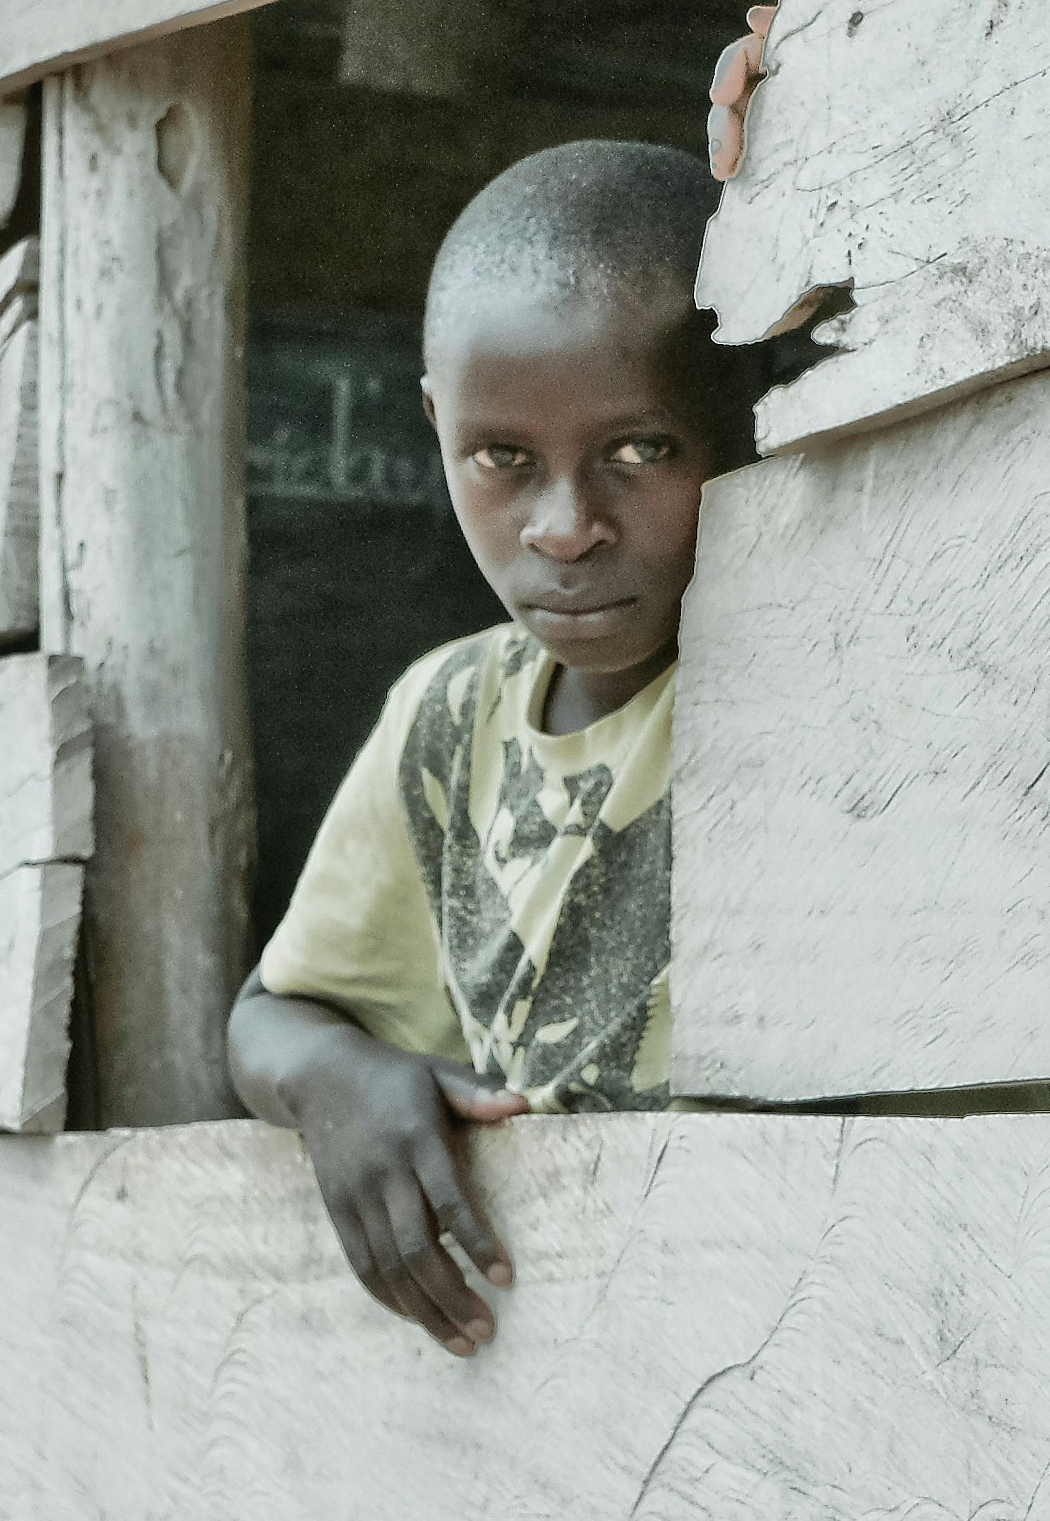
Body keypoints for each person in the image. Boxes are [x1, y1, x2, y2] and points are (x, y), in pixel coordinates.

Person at [224, 135, 759, 1356]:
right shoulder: (448, 718)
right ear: (435, 425)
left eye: (641, 451)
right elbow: (270, 1017)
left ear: (743, 411)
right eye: (500, 460)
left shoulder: (826, 664)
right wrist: (336, 1083)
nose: (565, 528)